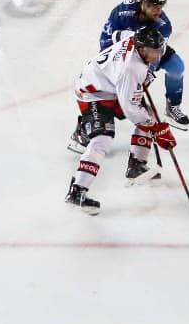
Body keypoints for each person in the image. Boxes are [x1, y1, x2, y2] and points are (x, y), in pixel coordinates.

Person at [64, 25, 175, 213]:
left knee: (149, 116)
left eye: (159, 50)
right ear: (141, 49)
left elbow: (116, 35)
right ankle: (77, 191)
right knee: (102, 139)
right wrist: (156, 130)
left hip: (108, 84)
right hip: (93, 94)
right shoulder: (131, 69)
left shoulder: (136, 37)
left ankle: (137, 165)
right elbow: (130, 109)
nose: (157, 56)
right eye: (153, 52)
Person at [99, 0, 189, 126]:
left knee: (177, 67)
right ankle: (90, 124)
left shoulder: (164, 25)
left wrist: (148, 72)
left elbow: (157, 52)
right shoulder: (123, 12)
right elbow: (106, 39)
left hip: (148, 53)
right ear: (142, 4)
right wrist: (113, 65)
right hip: (121, 52)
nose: (158, 11)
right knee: (110, 91)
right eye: (154, 7)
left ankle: (173, 106)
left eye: (160, 6)